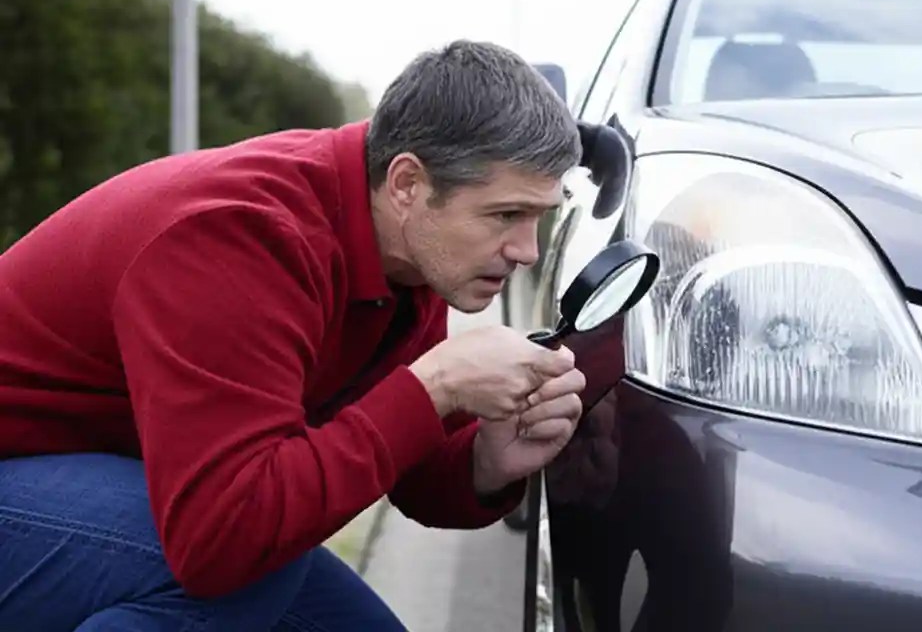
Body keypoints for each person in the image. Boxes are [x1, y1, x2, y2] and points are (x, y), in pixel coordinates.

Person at [0, 39, 588, 630]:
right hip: (22, 471)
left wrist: (487, 459)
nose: (526, 250)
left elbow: (403, 464)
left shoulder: (408, 251)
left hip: (108, 477)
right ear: (408, 183)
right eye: (505, 215)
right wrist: (432, 386)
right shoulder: (239, 241)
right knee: (248, 567)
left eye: (540, 216)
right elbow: (222, 536)